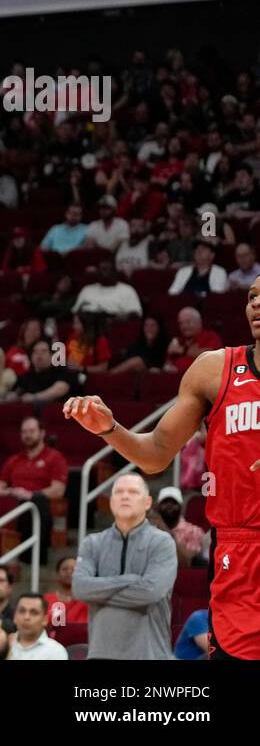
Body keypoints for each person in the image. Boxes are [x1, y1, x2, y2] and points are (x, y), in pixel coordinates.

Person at [65, 281, 260, 659]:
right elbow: (156, 453)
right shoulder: (215, 369)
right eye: (252, 296)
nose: (257, 304)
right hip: (237, 549)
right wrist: (110, 428)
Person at [70, 474, 177, 659]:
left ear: (147, 502)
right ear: (111, 502)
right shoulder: (92, 543)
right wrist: (132, 580)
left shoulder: (162, 542)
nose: (125, 496)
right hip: (100, 653)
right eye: (119, 492)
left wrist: (99, 592)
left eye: (133, 492)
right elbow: (80, 589)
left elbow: (151, 592)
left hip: (150, 653)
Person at [0, 416, 66, 561]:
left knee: (36, 502)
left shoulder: (54, 457)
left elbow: (58, 490)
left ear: (42, 433)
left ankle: (32, 558)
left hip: (38, 506)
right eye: (24, 432)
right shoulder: (14, 459)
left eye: (31, 431)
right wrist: (11, 492)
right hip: (14, 506)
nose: (27, 435)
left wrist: (30, 495)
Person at [154, 485, 209, 566]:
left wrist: (168, 533)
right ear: (158, 507)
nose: (169, 505)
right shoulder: (150, 531)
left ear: (181, 506)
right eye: (165, 502)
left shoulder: (194, 531)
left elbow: (188, 562)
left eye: (173, 502)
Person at [72, 260, 142, 319]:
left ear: (115, 272)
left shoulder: (127, 290)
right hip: (89, 326)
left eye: (106, 270)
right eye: (101, 270)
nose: (103, 273)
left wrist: (115, 316)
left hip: (114, 325)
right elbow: (75, 312)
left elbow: (135, 314)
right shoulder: (87, 289)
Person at [8, 593, 68, 659]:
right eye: (22, 611)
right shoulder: (4, 644)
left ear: (45, 620)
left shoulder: (56, 651)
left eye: (34, 613)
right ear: (14, 617)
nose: (26, 617)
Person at [43, 555, 89, 626]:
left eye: (74, 569)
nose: (69, 572)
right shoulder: (45, 599)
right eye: (64, 569)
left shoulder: (88, 601)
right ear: (57, 574)